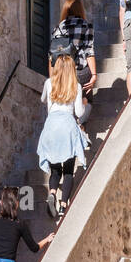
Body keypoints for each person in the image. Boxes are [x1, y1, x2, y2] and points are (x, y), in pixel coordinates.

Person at [38, 56, 90, 220]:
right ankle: (63, 206)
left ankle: (52, 192)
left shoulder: (49, 83)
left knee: (55, 168)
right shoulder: (76, 85)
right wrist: (84, 102)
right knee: (68, 170)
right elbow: (80, 113)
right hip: (67, 125)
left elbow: (43, 100)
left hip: (51, 125)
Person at [49, 0, 97, 100]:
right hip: (80, 72)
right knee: (85, 103)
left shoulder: (57, 28)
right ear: (80, 9)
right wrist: (94, 75)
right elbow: (89, 52)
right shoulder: (86, 26)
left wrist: (52, 78)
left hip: (62, 73)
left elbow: (51, 56)